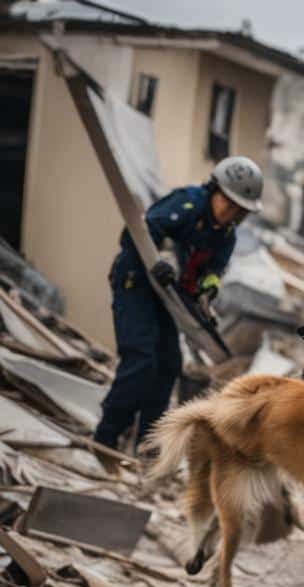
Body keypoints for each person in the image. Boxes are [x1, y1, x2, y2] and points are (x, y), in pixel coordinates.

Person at [93, 156, 261, 450]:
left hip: (171, 298)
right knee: (141, 359)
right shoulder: (187, 203)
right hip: (138, 283)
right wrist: (162, 258)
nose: (231, 212)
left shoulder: (227, 237)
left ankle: (148, 447)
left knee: (168, 367)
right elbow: (135, 233)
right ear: (214, 190)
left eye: (239, 210)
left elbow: (214, 271)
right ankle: (105, 438)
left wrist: (207, 291)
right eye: (228, 202)